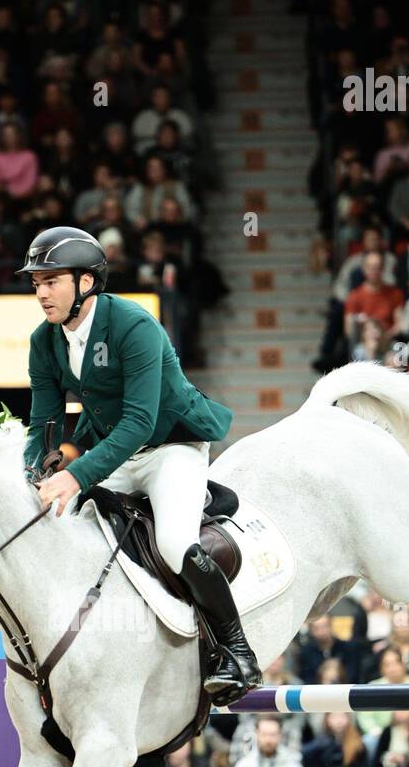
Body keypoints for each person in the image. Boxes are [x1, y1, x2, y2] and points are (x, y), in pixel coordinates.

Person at [15, 224, 261, 702]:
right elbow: (43, 421)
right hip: (113, 450)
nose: (41, 293)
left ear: (85, 283)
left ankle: (236, 651)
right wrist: (34, 470)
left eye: (51, 281)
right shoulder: (43, 341)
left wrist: (76, 474)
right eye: (36, 283)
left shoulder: (133, 324)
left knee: (173, 542)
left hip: (169, 447)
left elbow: (141, 423)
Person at [228, 715, 309, 767]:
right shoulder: (243, 765)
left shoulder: (293, 766)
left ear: (280, 735)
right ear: (257, 734)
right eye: (264, 734)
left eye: (272, 734)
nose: (268, 740)